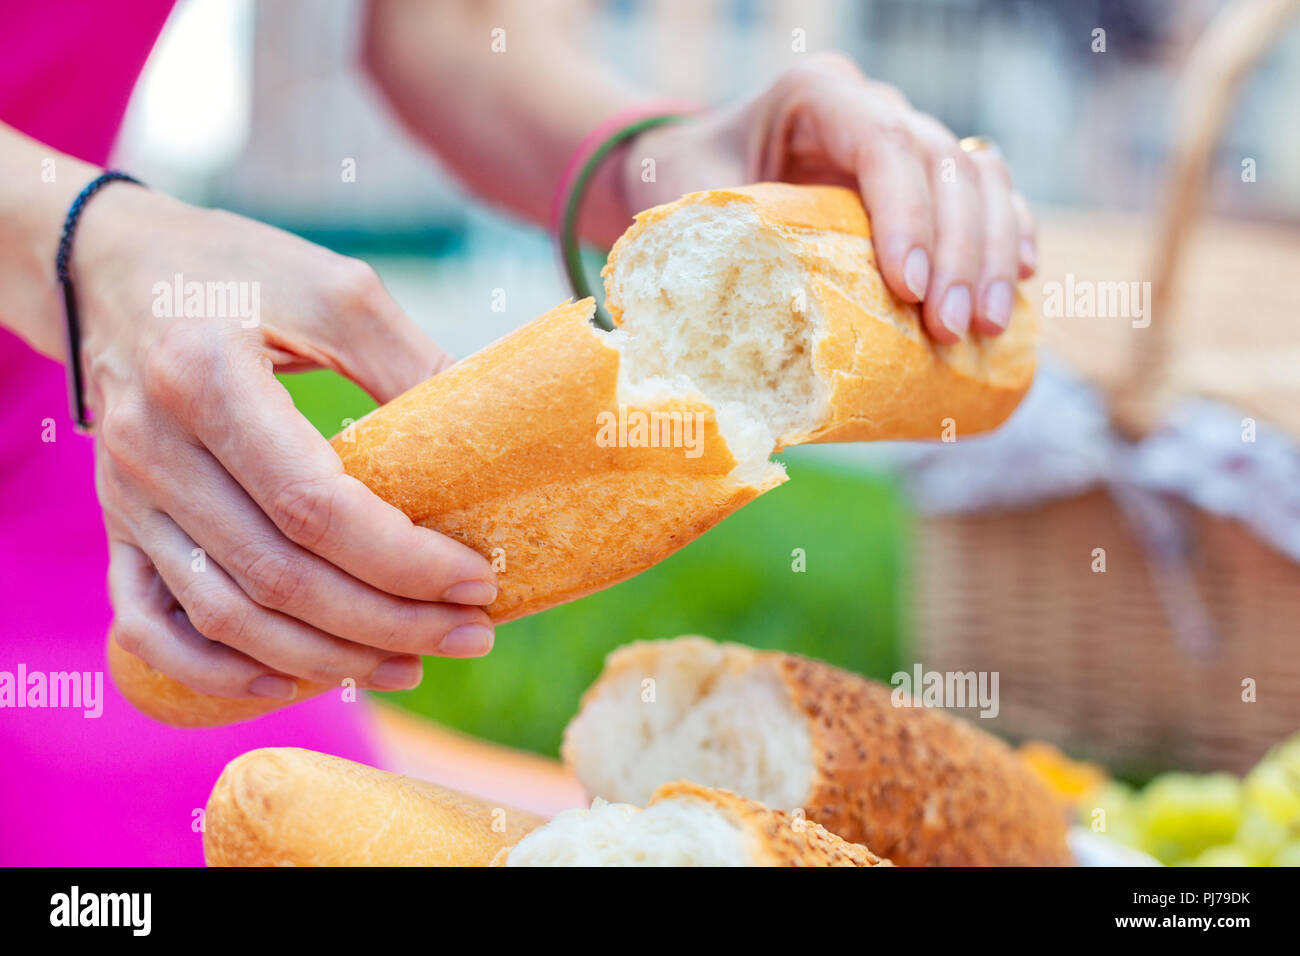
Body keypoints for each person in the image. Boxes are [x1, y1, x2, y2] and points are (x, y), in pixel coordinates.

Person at [0, 0, 1035, 864]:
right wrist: (93, 243)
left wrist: (656, 160)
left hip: (99, 438)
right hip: (101, 325)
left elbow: (450, 26)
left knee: (262, 809)